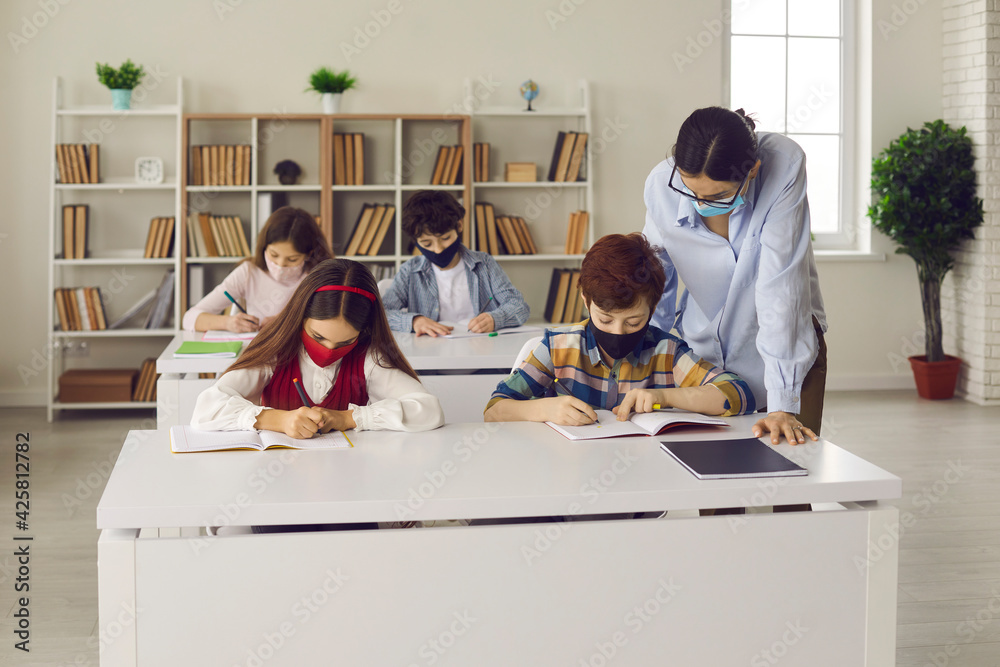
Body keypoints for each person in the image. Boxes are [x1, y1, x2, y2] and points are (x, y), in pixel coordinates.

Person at [642, 107, 827, 445]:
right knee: (713, 469)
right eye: (690, 190)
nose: (700, 203)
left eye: (716, 196)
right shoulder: (660, 185)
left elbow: (780, 288)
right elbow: (656, 281)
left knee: (791, 467)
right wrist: (641, 360)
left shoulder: (783, 166)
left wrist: (783, 403)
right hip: (701, 353)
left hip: (786, 350)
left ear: (752, 170)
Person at [484, 233, 754, 424]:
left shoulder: (666, 351)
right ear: (586, 301)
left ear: (653, 307)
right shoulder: (557, 347)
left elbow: (739, 394)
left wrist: (663, 395)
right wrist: (545, 409)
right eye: (605, 320)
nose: (618, 332)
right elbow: (494, 409)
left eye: (634, 322)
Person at [191, 258, 444, 437]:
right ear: (300, 317)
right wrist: (278, 419)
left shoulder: (368, 357)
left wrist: (348, 418)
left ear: (363, 332)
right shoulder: (276, 351)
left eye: (345, 342)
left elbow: (429, 410)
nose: (329, 351)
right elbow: (205, 410)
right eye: (318, 337)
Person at [382, 190, 529, 336]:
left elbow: (519, 306)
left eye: (445, 238)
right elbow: (381, 313)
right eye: (427, 244)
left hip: (481, 349)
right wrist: (415, 321)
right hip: (430, 352)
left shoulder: (485, 264)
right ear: (415, 240)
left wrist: (495, 319)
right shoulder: (409, 271)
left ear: (459, 226)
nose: (438, 250)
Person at [182, 206, 334, 333]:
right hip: (259, 359)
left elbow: (333, 326)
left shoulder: (321, 277)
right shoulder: (248, 273)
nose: (280, 265)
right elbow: (189, 319)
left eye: (292, 259)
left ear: (309, 254)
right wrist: (229, 323)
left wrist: (286, 323)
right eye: (274, 255)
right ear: (264, 247)